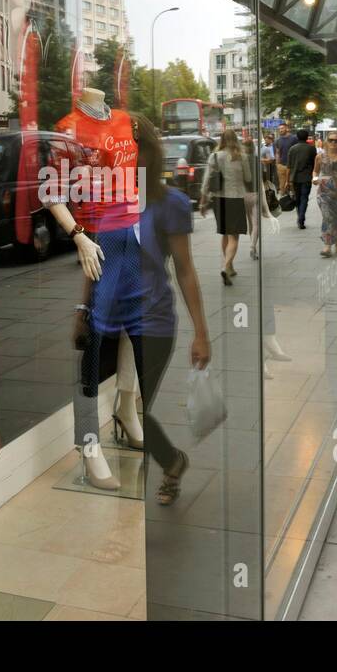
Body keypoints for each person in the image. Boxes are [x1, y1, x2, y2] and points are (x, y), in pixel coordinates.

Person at [89, 114, 211, 505]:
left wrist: (202, 333)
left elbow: (186, 271)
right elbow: (98, 260)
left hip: (154, 318)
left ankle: (172, 463)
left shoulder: (170, 203)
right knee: (106, 393)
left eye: (134, 151)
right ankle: (170, 461)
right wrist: (82, 309)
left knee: (145, 402)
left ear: (149, 155)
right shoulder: (112, 201)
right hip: (109, 317)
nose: (127, 159)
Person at [200, 128, 253, 285]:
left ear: (221, 140)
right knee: (233, 236)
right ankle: (225, 266)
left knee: (225, 233)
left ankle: (229, 267)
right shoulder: (242, 156)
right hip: (236, 198)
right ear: (236, 139)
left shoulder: (215, 156)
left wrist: (203, 201)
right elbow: (248, 177)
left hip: (219, 200)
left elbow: (206, 180)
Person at [286, 128, 316, 229]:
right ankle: (301, 218)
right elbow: (314, 164)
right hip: (307, 177)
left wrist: (287, 181)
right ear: (307, 137)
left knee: (297, 198)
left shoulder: (292, 149)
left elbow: (289, 166)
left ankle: (300, 216)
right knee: (304, 198)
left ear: (297, 137)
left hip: (294, 178)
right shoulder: (311, 148)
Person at [273, 123, 297, 194]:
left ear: (287, 128)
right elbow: (277, 152)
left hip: (292, 166)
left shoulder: (294, 138)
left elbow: (297, 150)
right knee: (282, 186)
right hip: (282, 166)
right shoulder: (277, 140)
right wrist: (277, 164)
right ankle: (283, 202)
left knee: (292, 185)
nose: (280, 130)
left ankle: (294, 201)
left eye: (282, 128)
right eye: (279, 129)